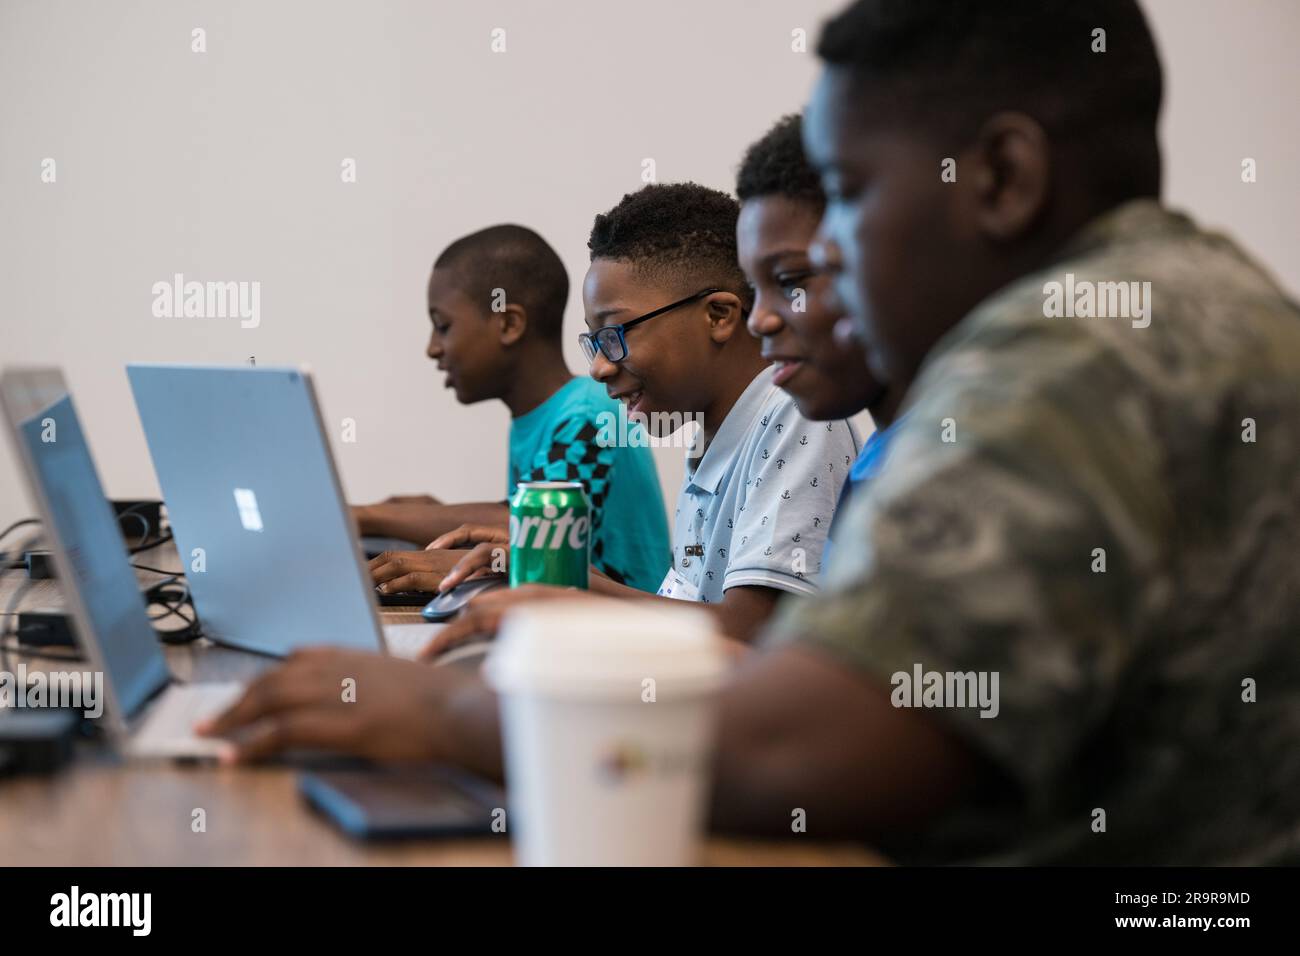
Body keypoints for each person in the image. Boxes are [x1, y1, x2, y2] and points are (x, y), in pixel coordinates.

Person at [202, 0, 1300, 865]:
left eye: (854, 201)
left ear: (1004, 179)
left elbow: (811, 743)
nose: (825, 269)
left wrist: (437, 708)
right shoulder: (1184, 307)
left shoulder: (1079, 349)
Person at [422, 182, 861, 648]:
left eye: (615, 334)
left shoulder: (797, 419)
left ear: (718, 315)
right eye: (593, 342)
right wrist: (557, 575)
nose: (598, 367)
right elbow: (688, 614)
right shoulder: (713, 439)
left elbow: (749, 634)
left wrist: (573, 586)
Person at [356, 224, 670, 593]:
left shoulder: (589, 413)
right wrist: (423, 515)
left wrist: (366, 516)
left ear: (508, 324)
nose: (432, 348)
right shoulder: (535, 417)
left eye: (443, 326)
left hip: (627, 636)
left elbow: (529, 528)